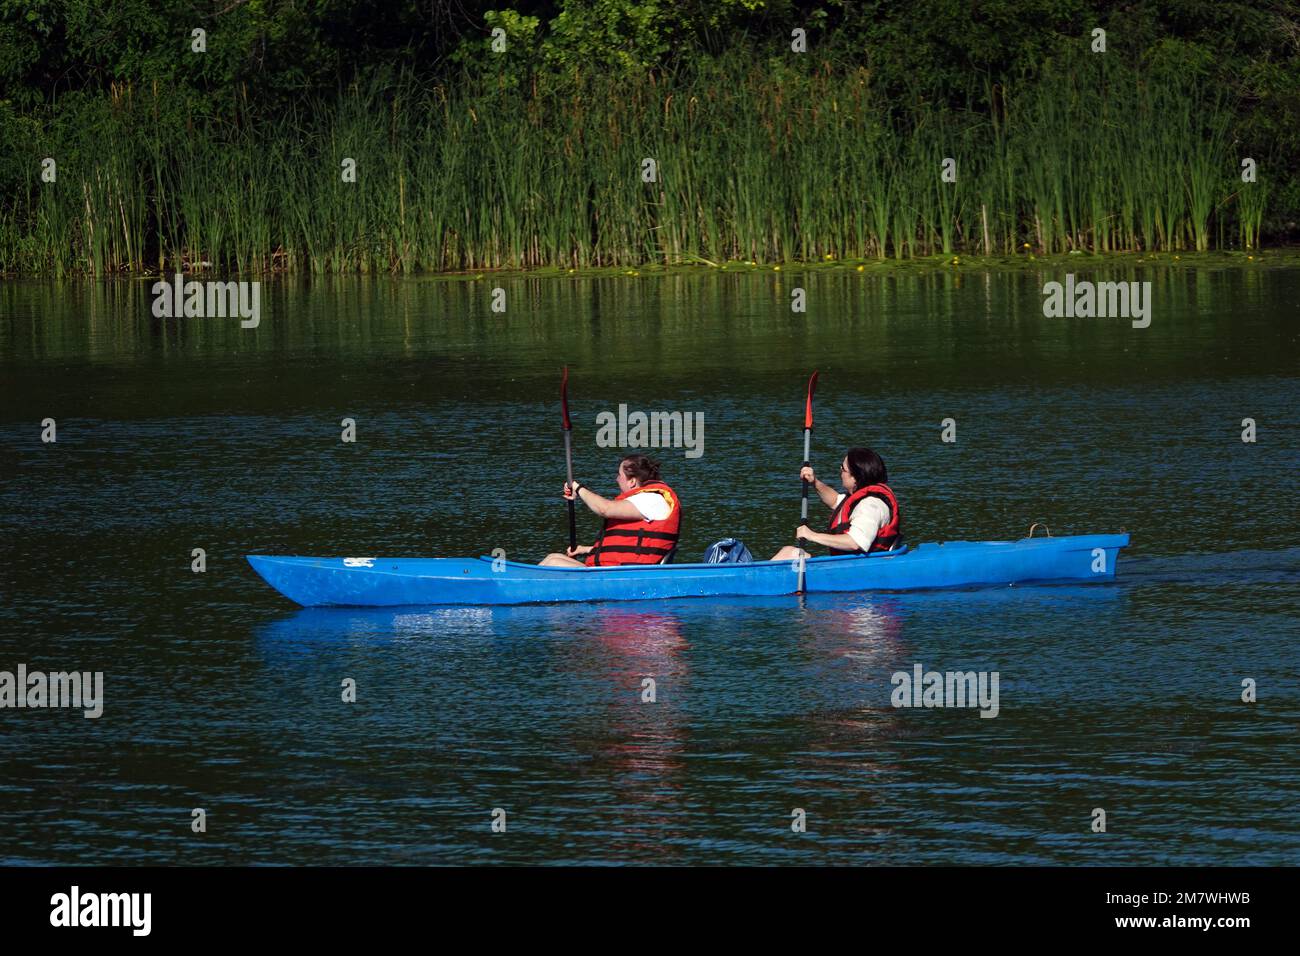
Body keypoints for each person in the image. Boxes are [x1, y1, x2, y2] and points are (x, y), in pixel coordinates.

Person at [541, 455, 681, 567]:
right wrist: (585, 549)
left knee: (554, 564)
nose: (616, 479)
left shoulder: (651, 500)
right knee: (553, 557)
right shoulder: (645, 500)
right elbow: (630, 546)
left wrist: (577, 487)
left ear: (632, 481)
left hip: (629, 575)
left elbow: (604, 509)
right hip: (621, 570)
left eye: (619, 475)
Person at [771, 446, 901, 560]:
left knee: (790, 554)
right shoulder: (859, 498)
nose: (840, 471)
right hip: (849, 564)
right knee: (789, 552)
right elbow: (835, 501)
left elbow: (855, 542)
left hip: (858, 569)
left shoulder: (870, 505)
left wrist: (812, 535)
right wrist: (815, 482)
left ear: (855, 477)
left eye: (843, 469)